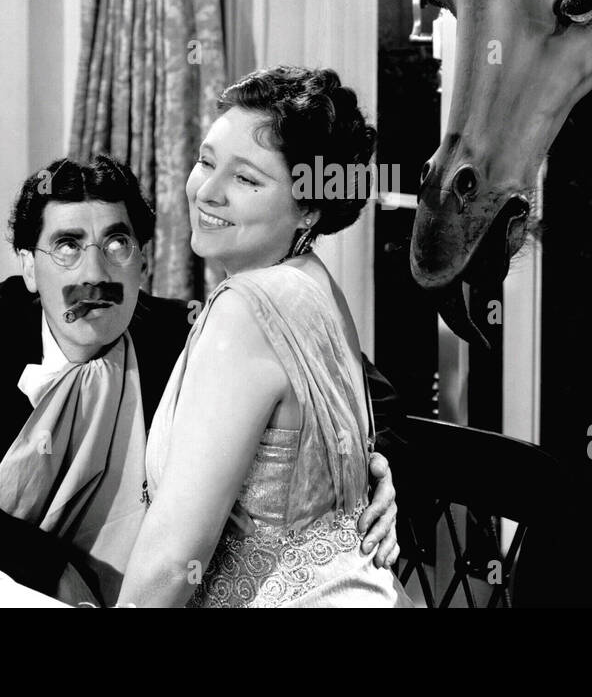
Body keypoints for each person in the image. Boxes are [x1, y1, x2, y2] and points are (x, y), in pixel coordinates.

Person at [0, 155, 404, 606]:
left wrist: (375, 464)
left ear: (143, 262)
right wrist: (42, 563)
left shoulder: (192, 332)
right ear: (29, 268)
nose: (95, 273)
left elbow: (366, 389)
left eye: (117, 245)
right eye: (66, 247)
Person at [118, 66, 413, 607]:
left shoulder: (249, 308)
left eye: (247, 179)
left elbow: (169, 564)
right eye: (206, 161)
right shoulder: (316, 286)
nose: (207, 191)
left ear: (310, 207)